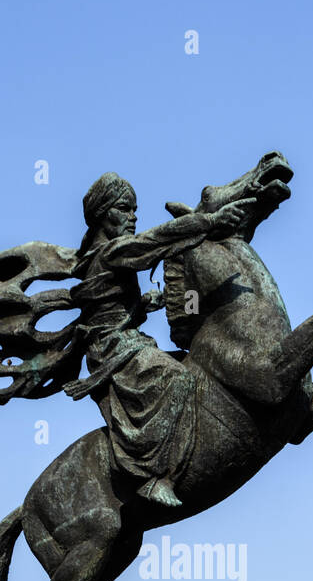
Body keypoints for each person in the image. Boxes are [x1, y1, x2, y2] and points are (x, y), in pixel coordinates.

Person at [66, 172, 250, 506]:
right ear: (103, 213)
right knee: (177, 377)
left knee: (197, 371)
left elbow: (108, 308)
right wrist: (208, 221)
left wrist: (143, 304)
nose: (133, 217)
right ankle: (150, 475)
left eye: (135, 209)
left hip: (127, 341)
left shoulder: (108, 256)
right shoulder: (111, 252)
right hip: (112, 350)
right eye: (124, 209)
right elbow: (154, 242)